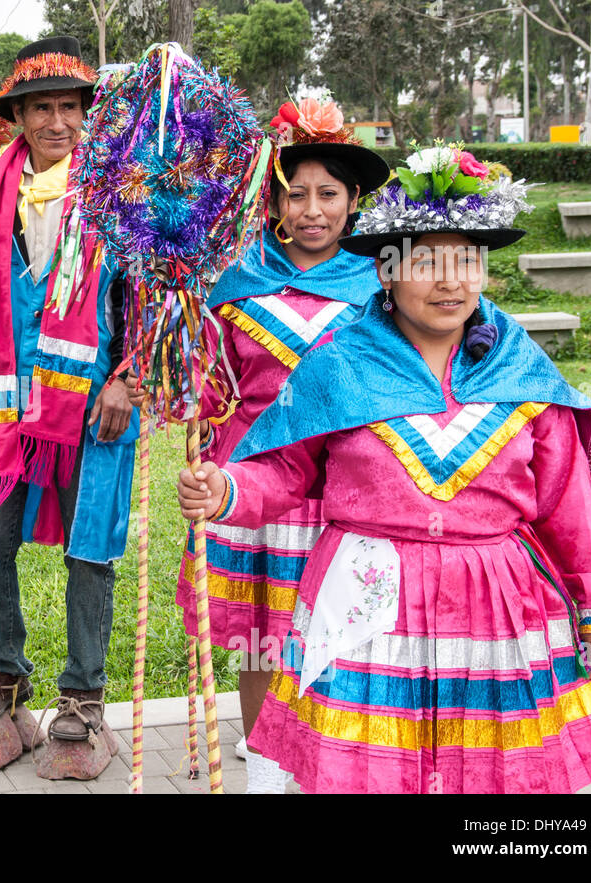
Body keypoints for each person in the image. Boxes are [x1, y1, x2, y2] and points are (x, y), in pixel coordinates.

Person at [179, 146, 591, 793]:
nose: (451, 281)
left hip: (493, 605)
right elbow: (284, 469)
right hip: (369, 600)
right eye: (427, 262)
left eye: (467, 260)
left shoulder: (521, 370)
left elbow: (565, 501)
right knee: (368, 772)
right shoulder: (339, 366)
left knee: (487, 769)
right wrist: (226, 487)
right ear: (385, 274)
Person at [0, 36, 136, 775]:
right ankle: (2, 676)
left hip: (95, 402)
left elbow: (147, 294)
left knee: (91, 550)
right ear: (16, 114)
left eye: (70, 107)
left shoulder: (119, 189)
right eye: (40, 107)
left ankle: (83, 695)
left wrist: (130, 376)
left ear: (89, 113)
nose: (56, 121)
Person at [176, 97, 389, 792]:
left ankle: (331, 751)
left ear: (354, 200)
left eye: (329, 193)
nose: (312, 210)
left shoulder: (380, 286)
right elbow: (210, 383)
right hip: (249, 475)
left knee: (338, 629)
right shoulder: (235, 279)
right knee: (256, 629)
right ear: (273, 201)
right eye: (295, 194)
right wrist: (181, 392)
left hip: (345, 481)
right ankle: (264, 761)